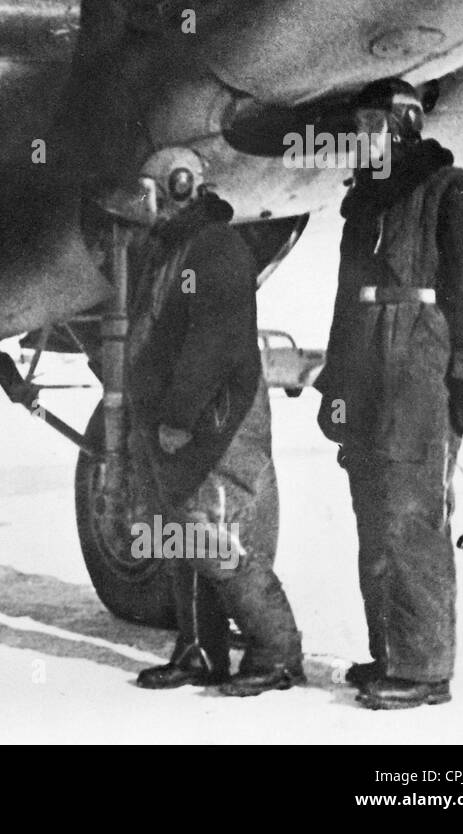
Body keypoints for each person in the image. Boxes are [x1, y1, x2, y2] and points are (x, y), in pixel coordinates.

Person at [315, 79, 463, 710]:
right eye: (357, 128)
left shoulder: (453, 192)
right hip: (366, 373)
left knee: (411, 520)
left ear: (406, 125)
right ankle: (391, 654)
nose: (361, 139)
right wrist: (334, 387)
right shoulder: (365, 206)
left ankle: (426, 669)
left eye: (373, 125)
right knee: (373, 520)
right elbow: (345, 303)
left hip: (418, 377)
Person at [123, 148, 304, 696]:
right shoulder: (176, 248)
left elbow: (214, 343)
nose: (144, 203)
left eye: (151, 190)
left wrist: (178, 416)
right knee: (182, 533)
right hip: (180, 416)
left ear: (178, 186)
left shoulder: (217, 247)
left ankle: (277, 653)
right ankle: (199, 650)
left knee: (215, 539)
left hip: (216, 416)